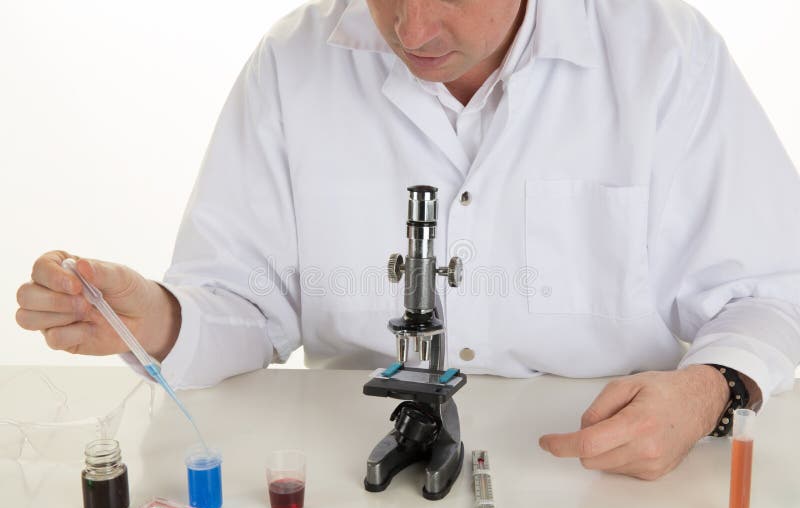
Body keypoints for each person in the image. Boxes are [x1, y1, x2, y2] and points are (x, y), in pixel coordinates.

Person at [15, 0, 800, 481]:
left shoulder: (666, 57)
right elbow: (241, 298)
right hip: (351, 452)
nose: (412, 27)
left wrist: (710, 391)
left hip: (611, 476)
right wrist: (154, 318)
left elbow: (775, 287)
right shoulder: (296, 61)